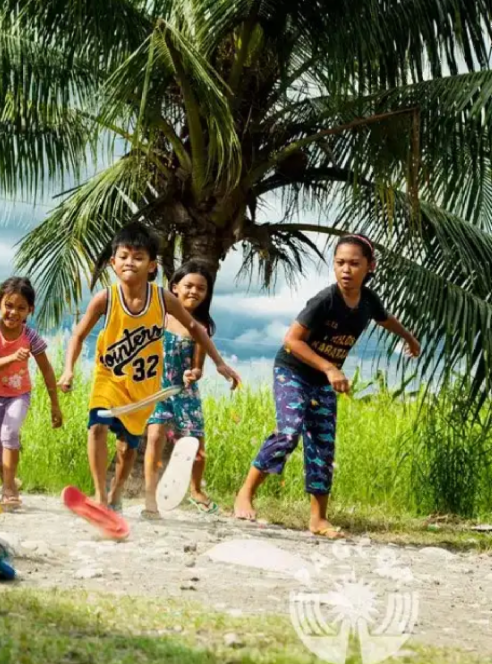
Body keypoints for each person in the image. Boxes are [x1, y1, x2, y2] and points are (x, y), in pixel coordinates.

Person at [234, 235, 420, 539]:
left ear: (370, 266)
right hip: (292, 372)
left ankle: (318, 519)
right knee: (288, 433)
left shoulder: (368, 301)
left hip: (322, 381)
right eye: (340, 263)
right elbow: (292, 341)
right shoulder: (325, 300)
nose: (346, 270)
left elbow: (386, 319)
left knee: (322, 443)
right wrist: (330, 367)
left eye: (354, 264)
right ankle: (245, 494)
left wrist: (410, 339)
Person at [58, 225, 241, 510]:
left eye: (138, 257)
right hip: (110, 379)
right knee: (96, 427)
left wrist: (219, 363)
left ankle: (117, 492)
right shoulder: (105, 298)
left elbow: (196, 327)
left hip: (143, 387)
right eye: (124, 256)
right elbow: (78, 335)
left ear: (152, 265)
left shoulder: (162, 299)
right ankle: (99, 494)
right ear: (113, 263)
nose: (130, 262)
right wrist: (68, 369)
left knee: (128, 444)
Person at [141, 260, 226, 517]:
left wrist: (194, 372)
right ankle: (149, 496)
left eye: (201, 289)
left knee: (196, 446)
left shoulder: (200, 328)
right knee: (154, 437)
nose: (194, 292)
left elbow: (198, 365)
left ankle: (196, 491)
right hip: (157, 390)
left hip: (185, 391)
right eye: (188, 286)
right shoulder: (158, 317)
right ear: (174, 287)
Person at [0, 276, 62, 510]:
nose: (14, 312)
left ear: (30, 310)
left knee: (9, 432)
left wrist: (55, 404)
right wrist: (14, 357)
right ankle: (9, 481)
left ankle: (8, 490)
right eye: (9, 306)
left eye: (21, 308)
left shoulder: (30, 336)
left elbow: (46, 370)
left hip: (19, 395)